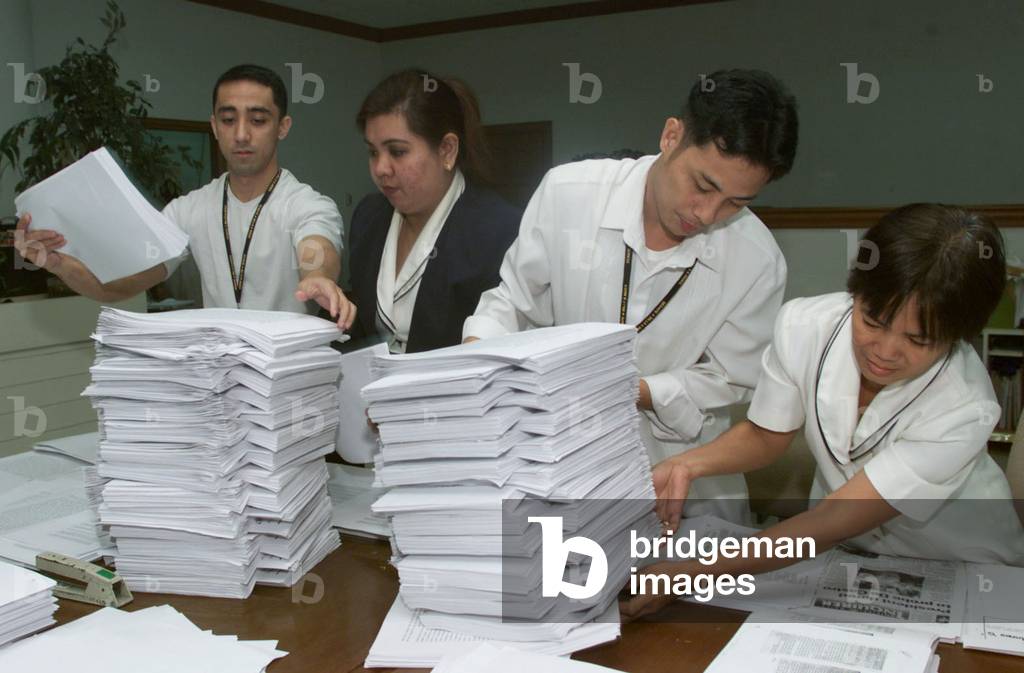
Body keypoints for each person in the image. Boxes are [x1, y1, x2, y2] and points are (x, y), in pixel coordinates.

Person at [622, 204, 1024, 620]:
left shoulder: (965, 404)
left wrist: (692, 572)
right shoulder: (804, 326)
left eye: (918, 340)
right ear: (856, 291)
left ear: (957, 337)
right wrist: (688, 464)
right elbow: (767, 435)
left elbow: (837, 517)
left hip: (965, 567)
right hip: (854, 557)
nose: (884, 353)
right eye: (872, 320)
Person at [463, 69, 799, 522]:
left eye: (736, 203)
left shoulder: (757, 260)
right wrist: (472, 370)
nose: (707, 214)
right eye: (702, 186)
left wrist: (638, 391)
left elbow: (730, 380)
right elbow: (514, 302)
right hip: (563, 458)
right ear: (671, 135)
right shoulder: (569, 194)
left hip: (683, 485)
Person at [14, 64, 354, 328]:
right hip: (217, 382)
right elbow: (116, 286)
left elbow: (316, 246)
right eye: (228, 119)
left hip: (289, 382)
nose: (241, 134)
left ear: (283, 126)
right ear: (214, 126)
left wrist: (317, 278)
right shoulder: (189, 210)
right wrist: (59, 264)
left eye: (258, 120)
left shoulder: (306, 204)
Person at [346, 69, 521, 353]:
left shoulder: (498, 230)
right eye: (373, 152)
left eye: (397, 152)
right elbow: (363, 328)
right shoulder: (369, 216)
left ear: (447, 150)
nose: (380, 168)